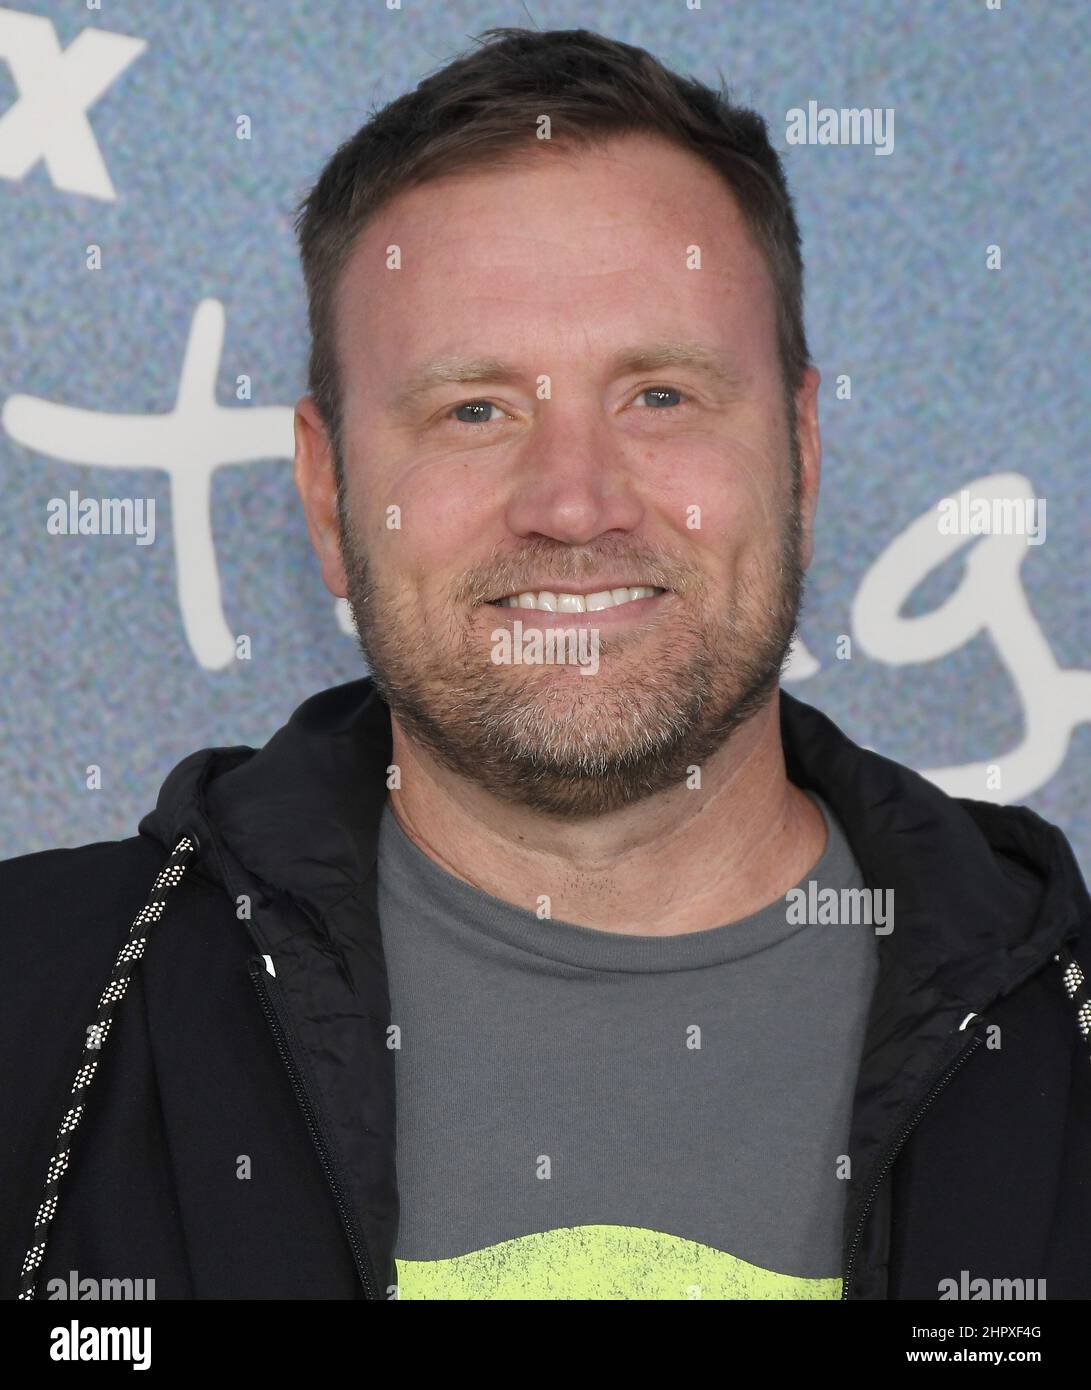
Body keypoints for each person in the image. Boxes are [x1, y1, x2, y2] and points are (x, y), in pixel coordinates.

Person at [2, 26, 1088, 1303]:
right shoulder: (34, 1008)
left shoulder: (1059, 1044)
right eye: (475, 409)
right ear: (323, 485)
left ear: (798, 447)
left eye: (660, 397)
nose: (574, 505)